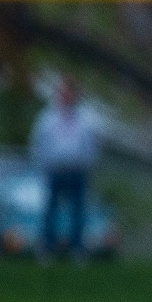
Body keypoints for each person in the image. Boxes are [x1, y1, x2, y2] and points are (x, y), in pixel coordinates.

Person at [28, 75, 100, 260]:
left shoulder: (85, 119)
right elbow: (39, 144)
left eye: (69, 94)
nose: (66, 97)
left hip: (77, 170)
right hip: (55, 170)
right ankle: (48, 246)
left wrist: (87, 164)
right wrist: (44, 165)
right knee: (51, 210)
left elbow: (90, 144)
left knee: (78, 210)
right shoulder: (47, 118)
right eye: (63, 94)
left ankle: (77, 247)